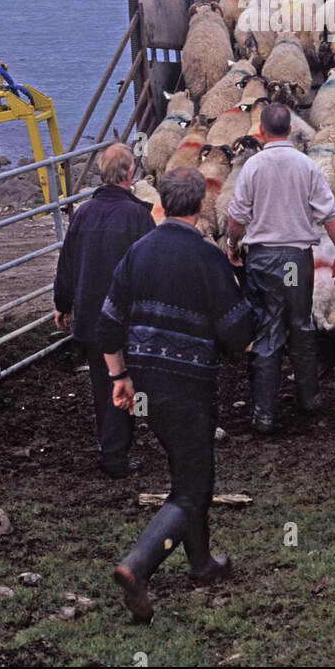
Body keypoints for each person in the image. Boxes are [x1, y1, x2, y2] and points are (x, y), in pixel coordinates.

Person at [96, 166, 253, 621]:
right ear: (202, 204)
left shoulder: (138, 252)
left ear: (162, 203)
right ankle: (137, 566)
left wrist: (119, 377)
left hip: (147, 385)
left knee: (188, 473)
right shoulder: (208, 258)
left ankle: (201, 564)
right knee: (193, 488)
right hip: (190, 387)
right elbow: (239, 336)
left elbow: (108, 323)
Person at [226, 101, 335, 434]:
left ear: (261, 131)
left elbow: (237, 218)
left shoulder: (252, 167)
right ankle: (310, 399)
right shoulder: (306, 165)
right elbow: (330, 214)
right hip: (295, 261)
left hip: (264, 259)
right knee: (300, 324)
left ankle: (265, 414)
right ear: (291, 129)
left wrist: (232, 245)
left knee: (268, 329)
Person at [53, 141, 153, 478]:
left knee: (105, 382)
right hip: (128, 318)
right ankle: (116, 456)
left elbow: (67, 263)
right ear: (130, 173)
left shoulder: (83, 213)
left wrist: (63, 304)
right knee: (127, 379)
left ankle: (113, 447)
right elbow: (151, 267)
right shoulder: (139, 216)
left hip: (91, 317)